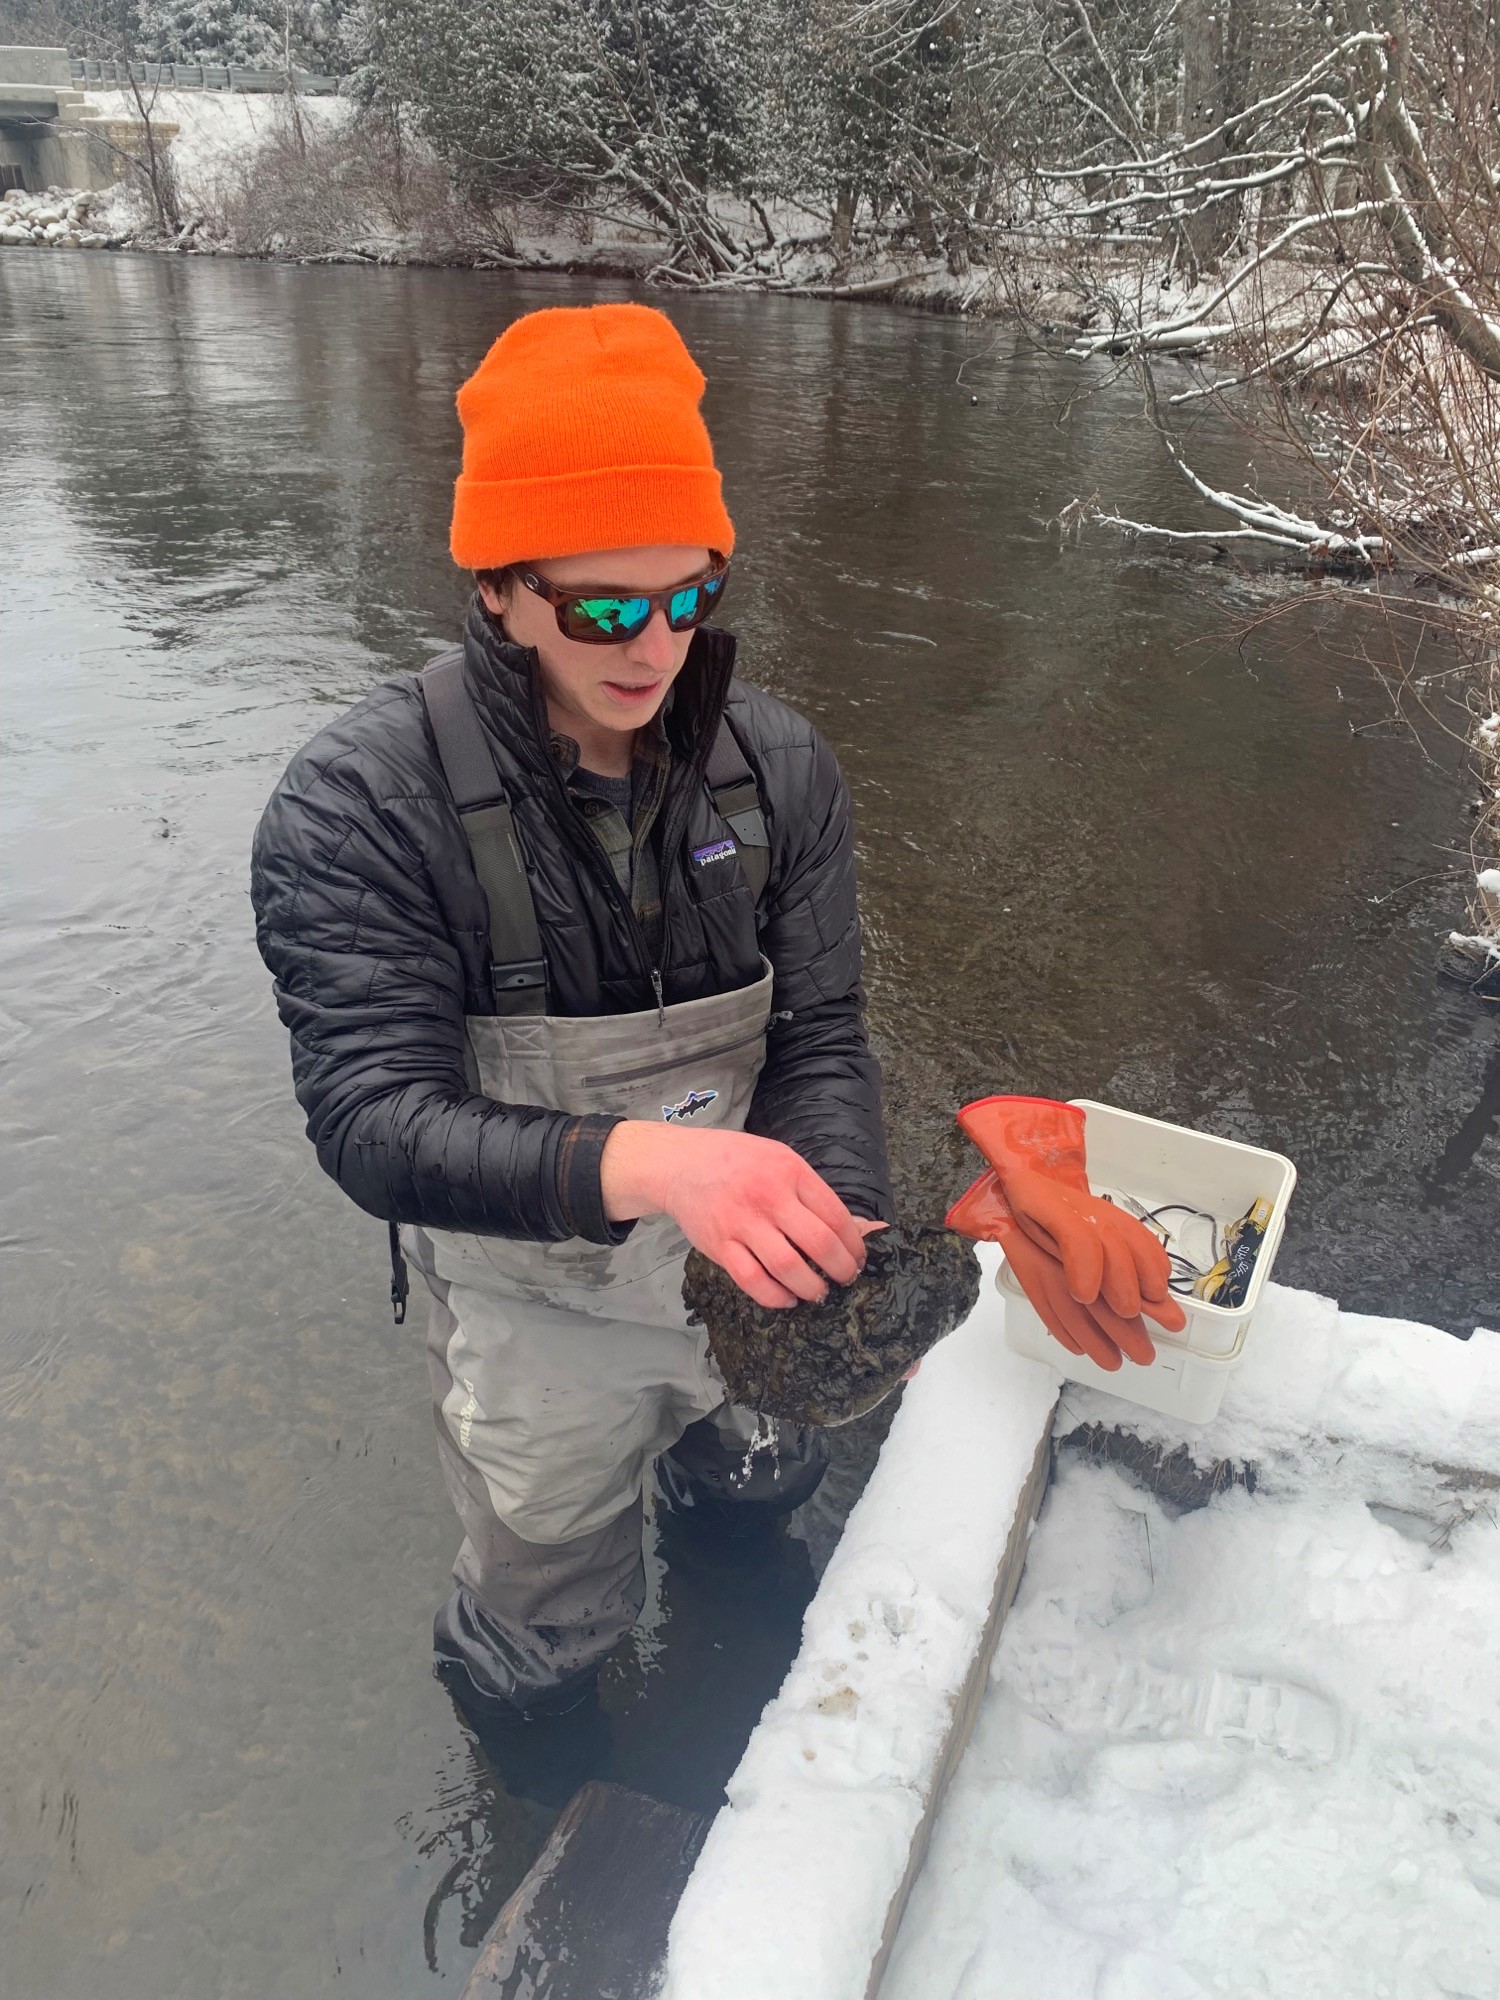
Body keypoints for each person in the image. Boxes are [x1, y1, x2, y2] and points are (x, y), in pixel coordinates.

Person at [251, 302, 893, 1724]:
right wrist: (654, 1165)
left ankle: (736, 1692)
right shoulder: (359, 803)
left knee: (755, 1505)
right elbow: (371, 1124)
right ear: (495, 584)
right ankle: (539, 1783)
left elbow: (823, 1035)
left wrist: (834, 1222)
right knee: (547, 1623)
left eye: (688, 596)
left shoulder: (781, 768)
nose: (652, 647)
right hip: (534, 1316)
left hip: (747, 1284)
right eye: (601, 608)